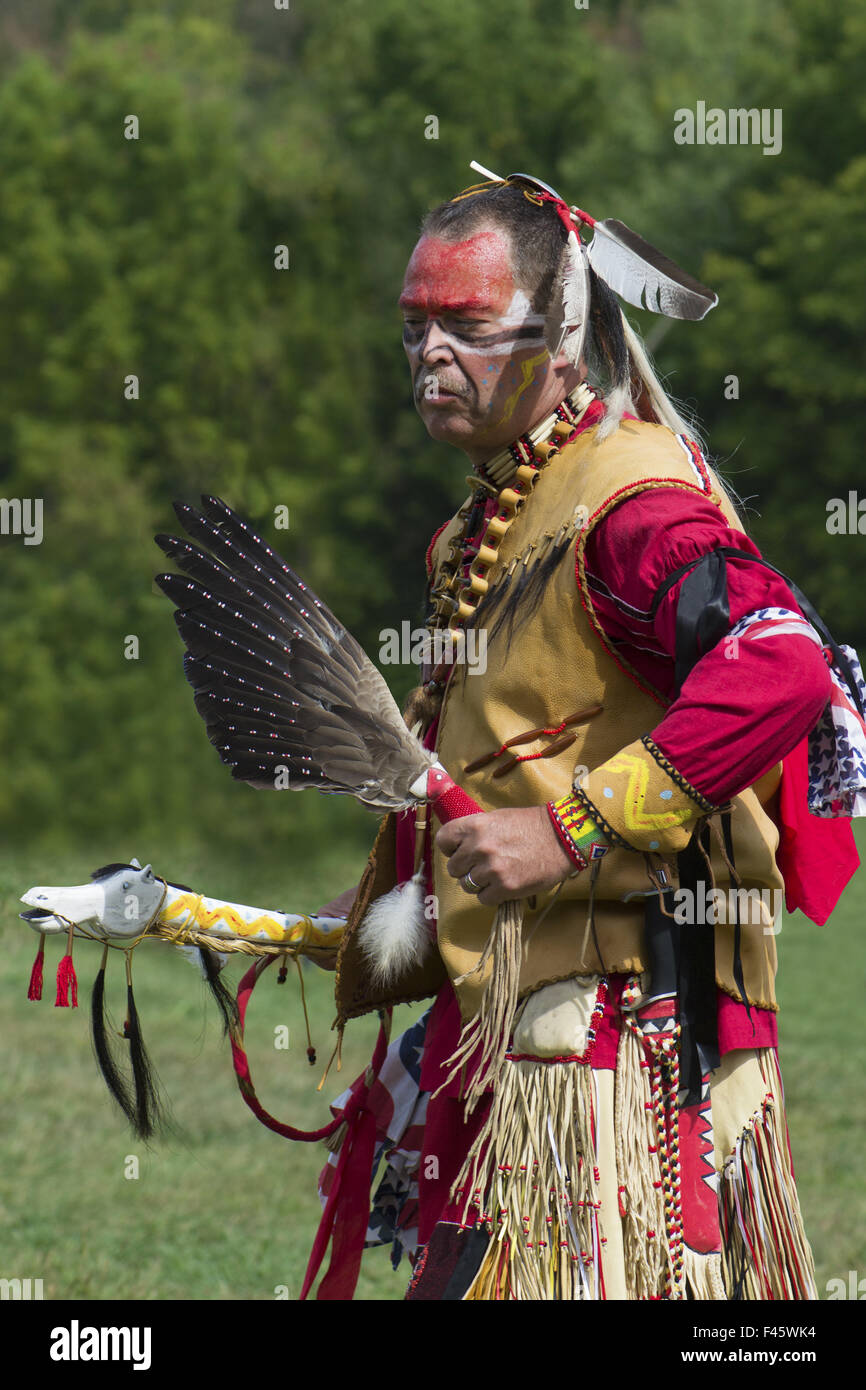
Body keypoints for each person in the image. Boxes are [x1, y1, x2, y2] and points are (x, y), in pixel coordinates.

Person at [314, 171, 863, 1301]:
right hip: (513, 1010)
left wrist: (567, 831)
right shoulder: (493, 514)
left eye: (464, 325)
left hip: (622, 1023)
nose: (427, 355)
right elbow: (491, 746)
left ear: (560, 338)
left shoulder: (628, 508)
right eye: (412, 325)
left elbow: (780, 663)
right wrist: (388, 897)